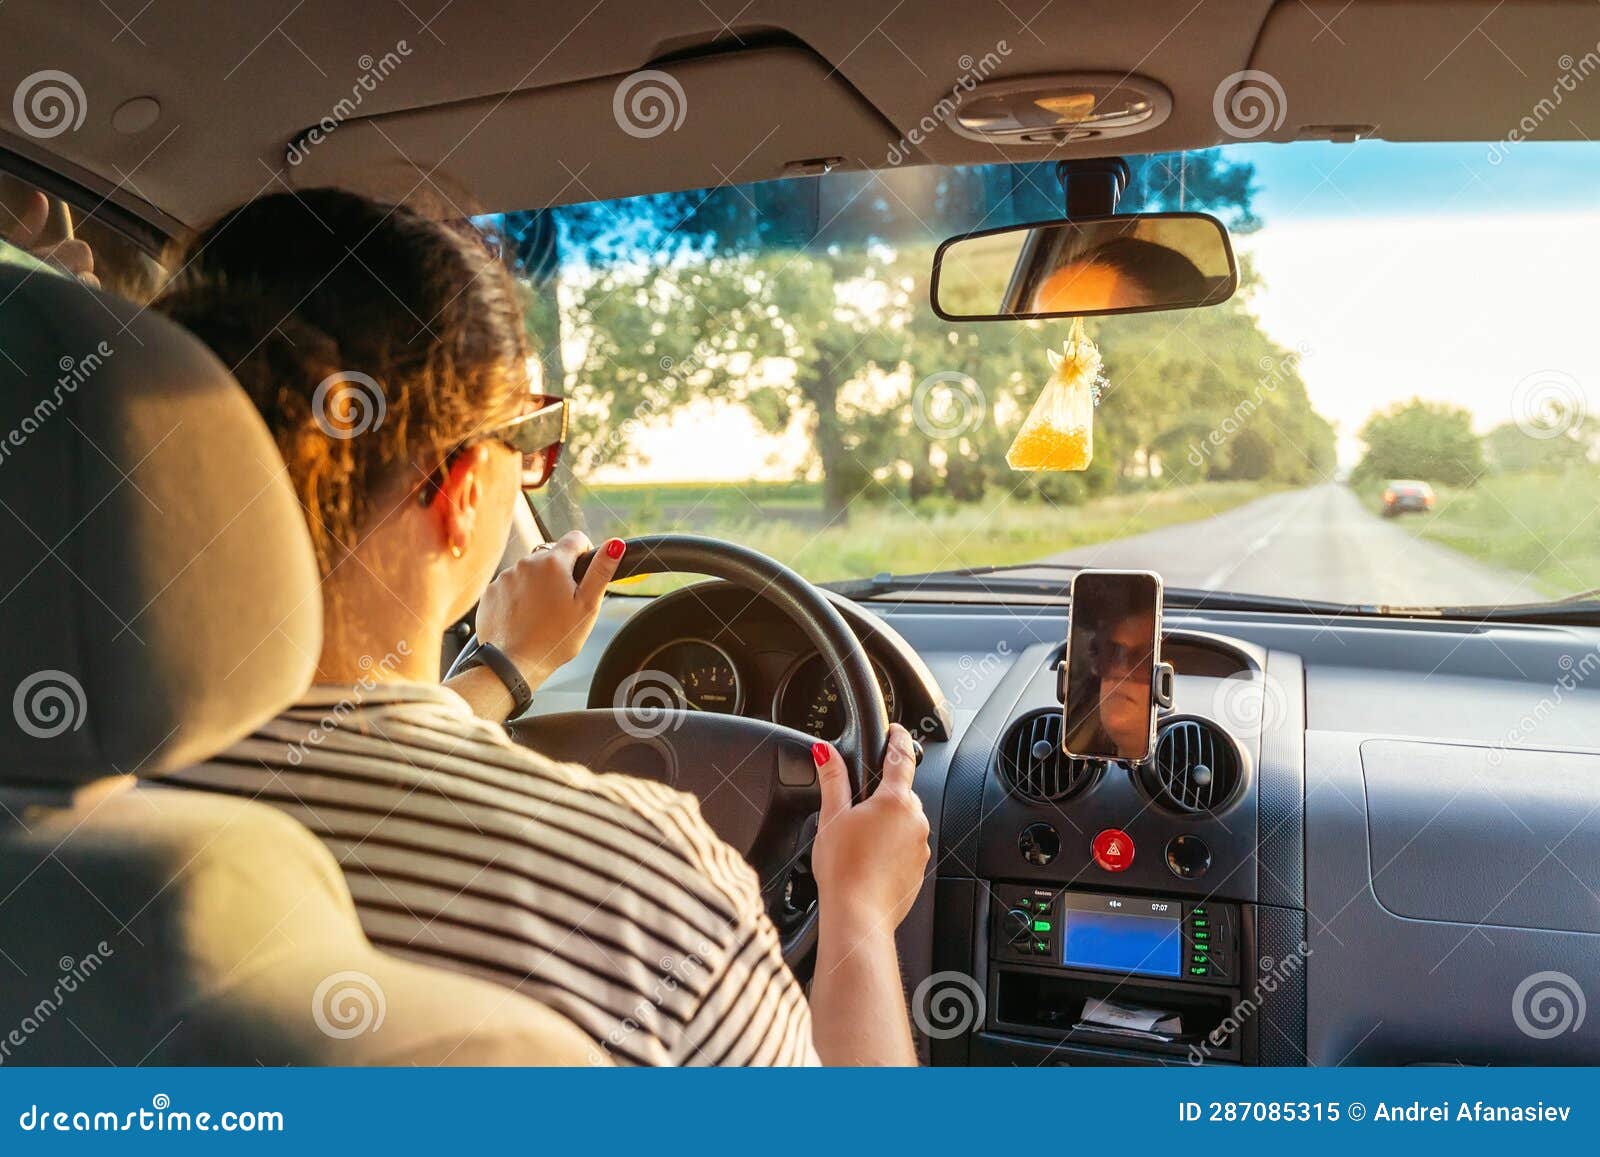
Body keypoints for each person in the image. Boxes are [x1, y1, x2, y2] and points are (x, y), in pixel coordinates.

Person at [145, 188, 930, 1066]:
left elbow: (338, 759)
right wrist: (858, 903)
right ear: (462, 489)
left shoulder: (73, 798)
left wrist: (500, 670)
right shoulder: (643, 876)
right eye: (531, 435)